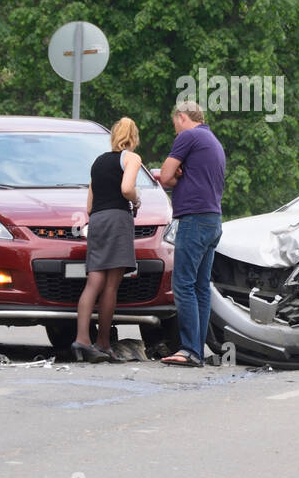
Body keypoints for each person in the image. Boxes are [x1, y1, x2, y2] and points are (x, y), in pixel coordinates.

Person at [158, 101, 225, 367]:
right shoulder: (212, 140)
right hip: (213, 220)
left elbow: (164, 176)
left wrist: (175, 176)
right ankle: (196, 350)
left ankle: (188, 350)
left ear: (182, 117)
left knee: (183, 284)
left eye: (175, 123)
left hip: (194, 220)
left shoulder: (189, 136)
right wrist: (179, 175)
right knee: (200, 286)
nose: (175, 131)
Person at [72, 117, 142, 364]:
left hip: (98, 221)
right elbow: (126, 188)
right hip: (117, 220)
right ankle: (102, 343)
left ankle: (81, 340)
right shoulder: (131, 158)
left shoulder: (98, 163)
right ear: (133, 137)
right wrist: (137, 200)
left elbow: (89, 205)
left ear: (113, 136)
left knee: (93, 283)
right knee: (111, 286)